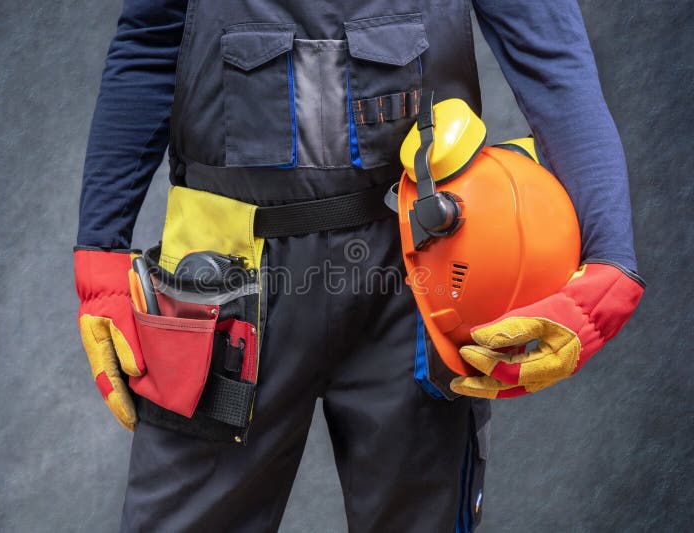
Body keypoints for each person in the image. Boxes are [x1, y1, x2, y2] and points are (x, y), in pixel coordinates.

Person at [74, 1, 644, 531]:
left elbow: (551, 55)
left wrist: (609, 261)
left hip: (420, 282)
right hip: (222, 291)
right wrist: (99, 248)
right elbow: (150, 41)